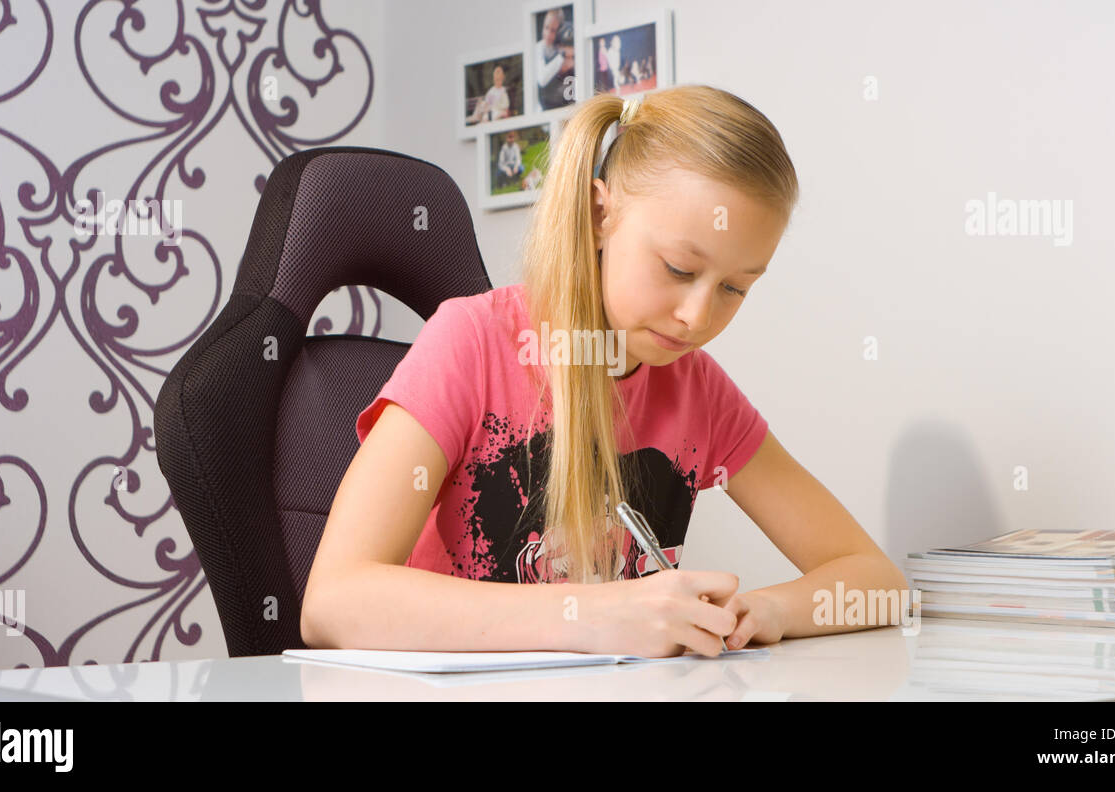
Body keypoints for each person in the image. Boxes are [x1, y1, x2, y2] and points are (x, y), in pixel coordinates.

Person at [303, 85, 908, 659]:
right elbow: (332, 602)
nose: (697, 317)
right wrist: (593, 615)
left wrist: (766, 612)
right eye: (677, 268)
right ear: (600, 214)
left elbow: (877, 582)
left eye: (734, 287)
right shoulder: (471, 343)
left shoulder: (698, 389)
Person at [534, 8, 574, 110]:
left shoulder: (562, 45)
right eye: (546, 28)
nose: (548, 34)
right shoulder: (538, 48)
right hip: (543, 109)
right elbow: (542, 79)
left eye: (553, 31)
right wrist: (562, 55)